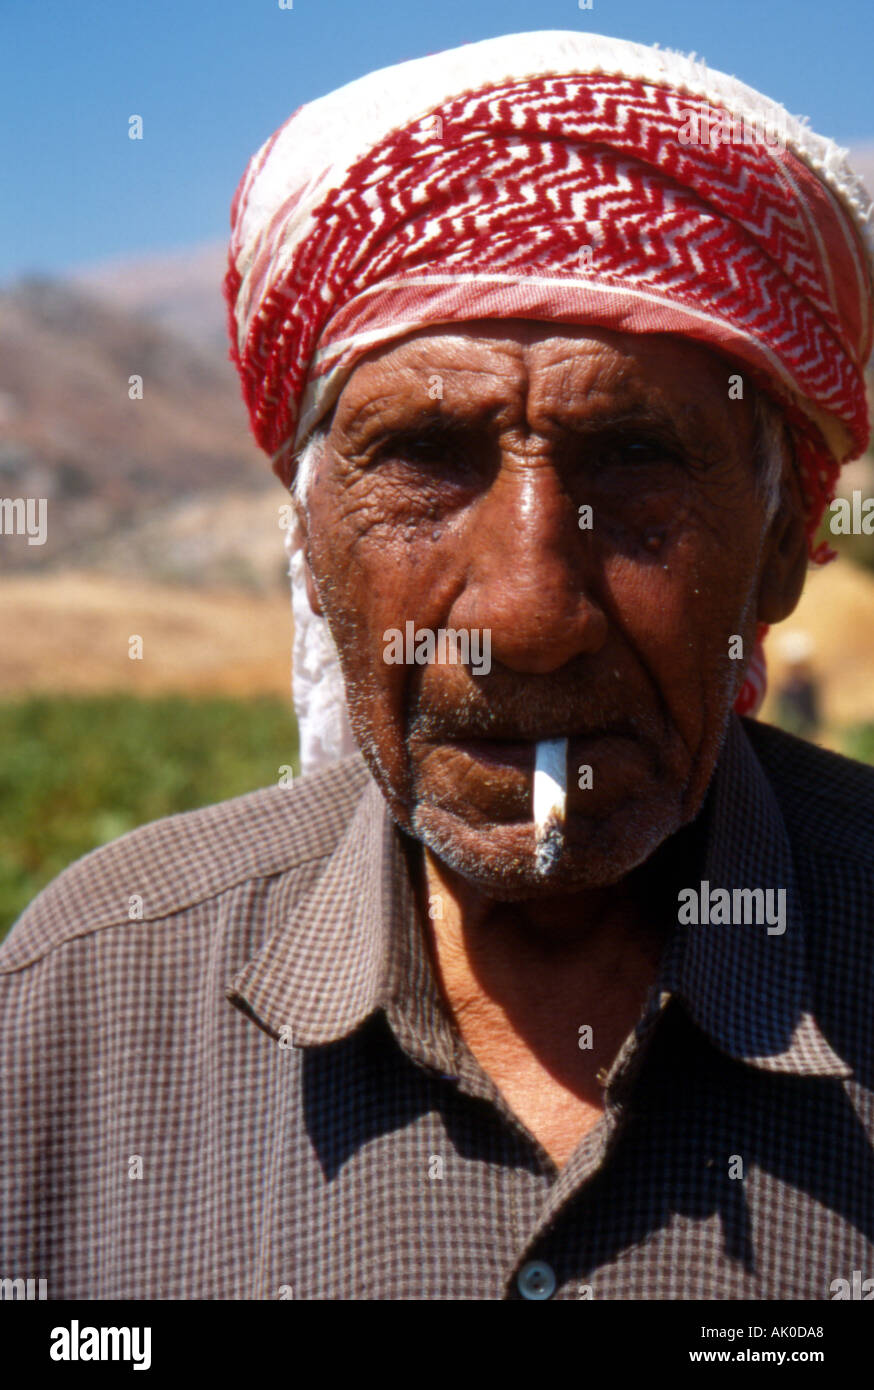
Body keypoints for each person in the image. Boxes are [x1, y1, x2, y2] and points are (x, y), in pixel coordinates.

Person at [2, 30, 874, 1301]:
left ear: (786, 541)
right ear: (306, 539)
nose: (526, 616)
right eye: (424, 458)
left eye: (635, 460)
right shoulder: (90, 996)